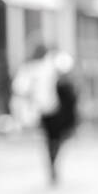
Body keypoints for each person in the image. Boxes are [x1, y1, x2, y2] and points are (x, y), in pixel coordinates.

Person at [11, 44, 79, 185]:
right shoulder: (36, 68)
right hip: (50, 109)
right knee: (54, 138)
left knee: (53, 138)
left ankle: (52, 161)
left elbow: (20, 88)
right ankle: (52, 162)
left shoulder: (40, 67)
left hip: (50, 109)